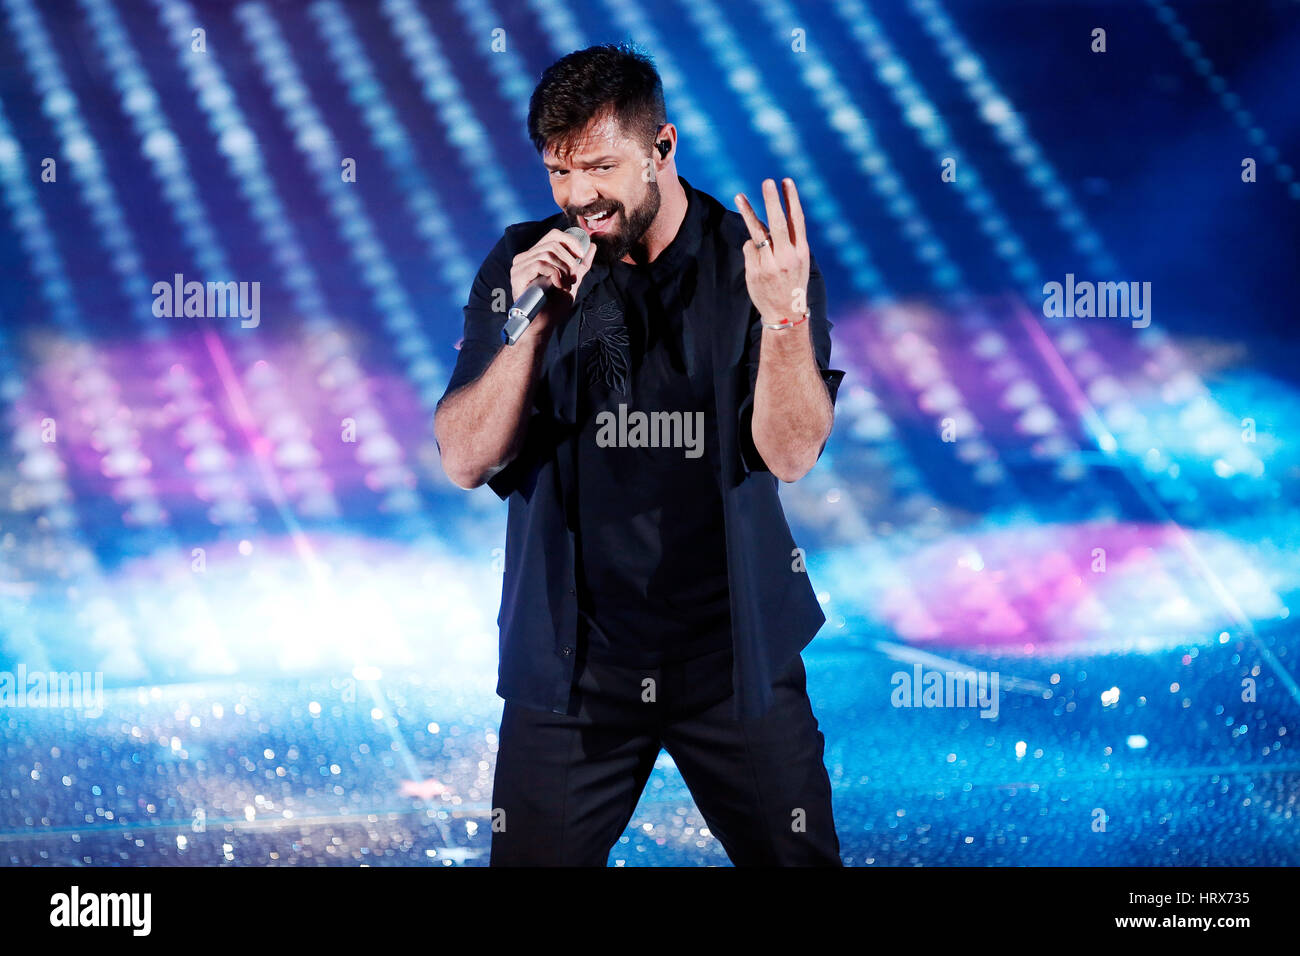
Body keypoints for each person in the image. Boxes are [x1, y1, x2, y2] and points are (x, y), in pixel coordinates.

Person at [434, 42, 846, 866]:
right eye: (558, 172)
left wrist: (786, 319)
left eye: (599, 167)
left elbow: (792, 454)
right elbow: (464, 458)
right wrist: (533, 322)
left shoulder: (756, 264)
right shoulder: (524, 264)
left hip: (734, 662)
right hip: (573, 675)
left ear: (663, 147)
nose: (578, 196)